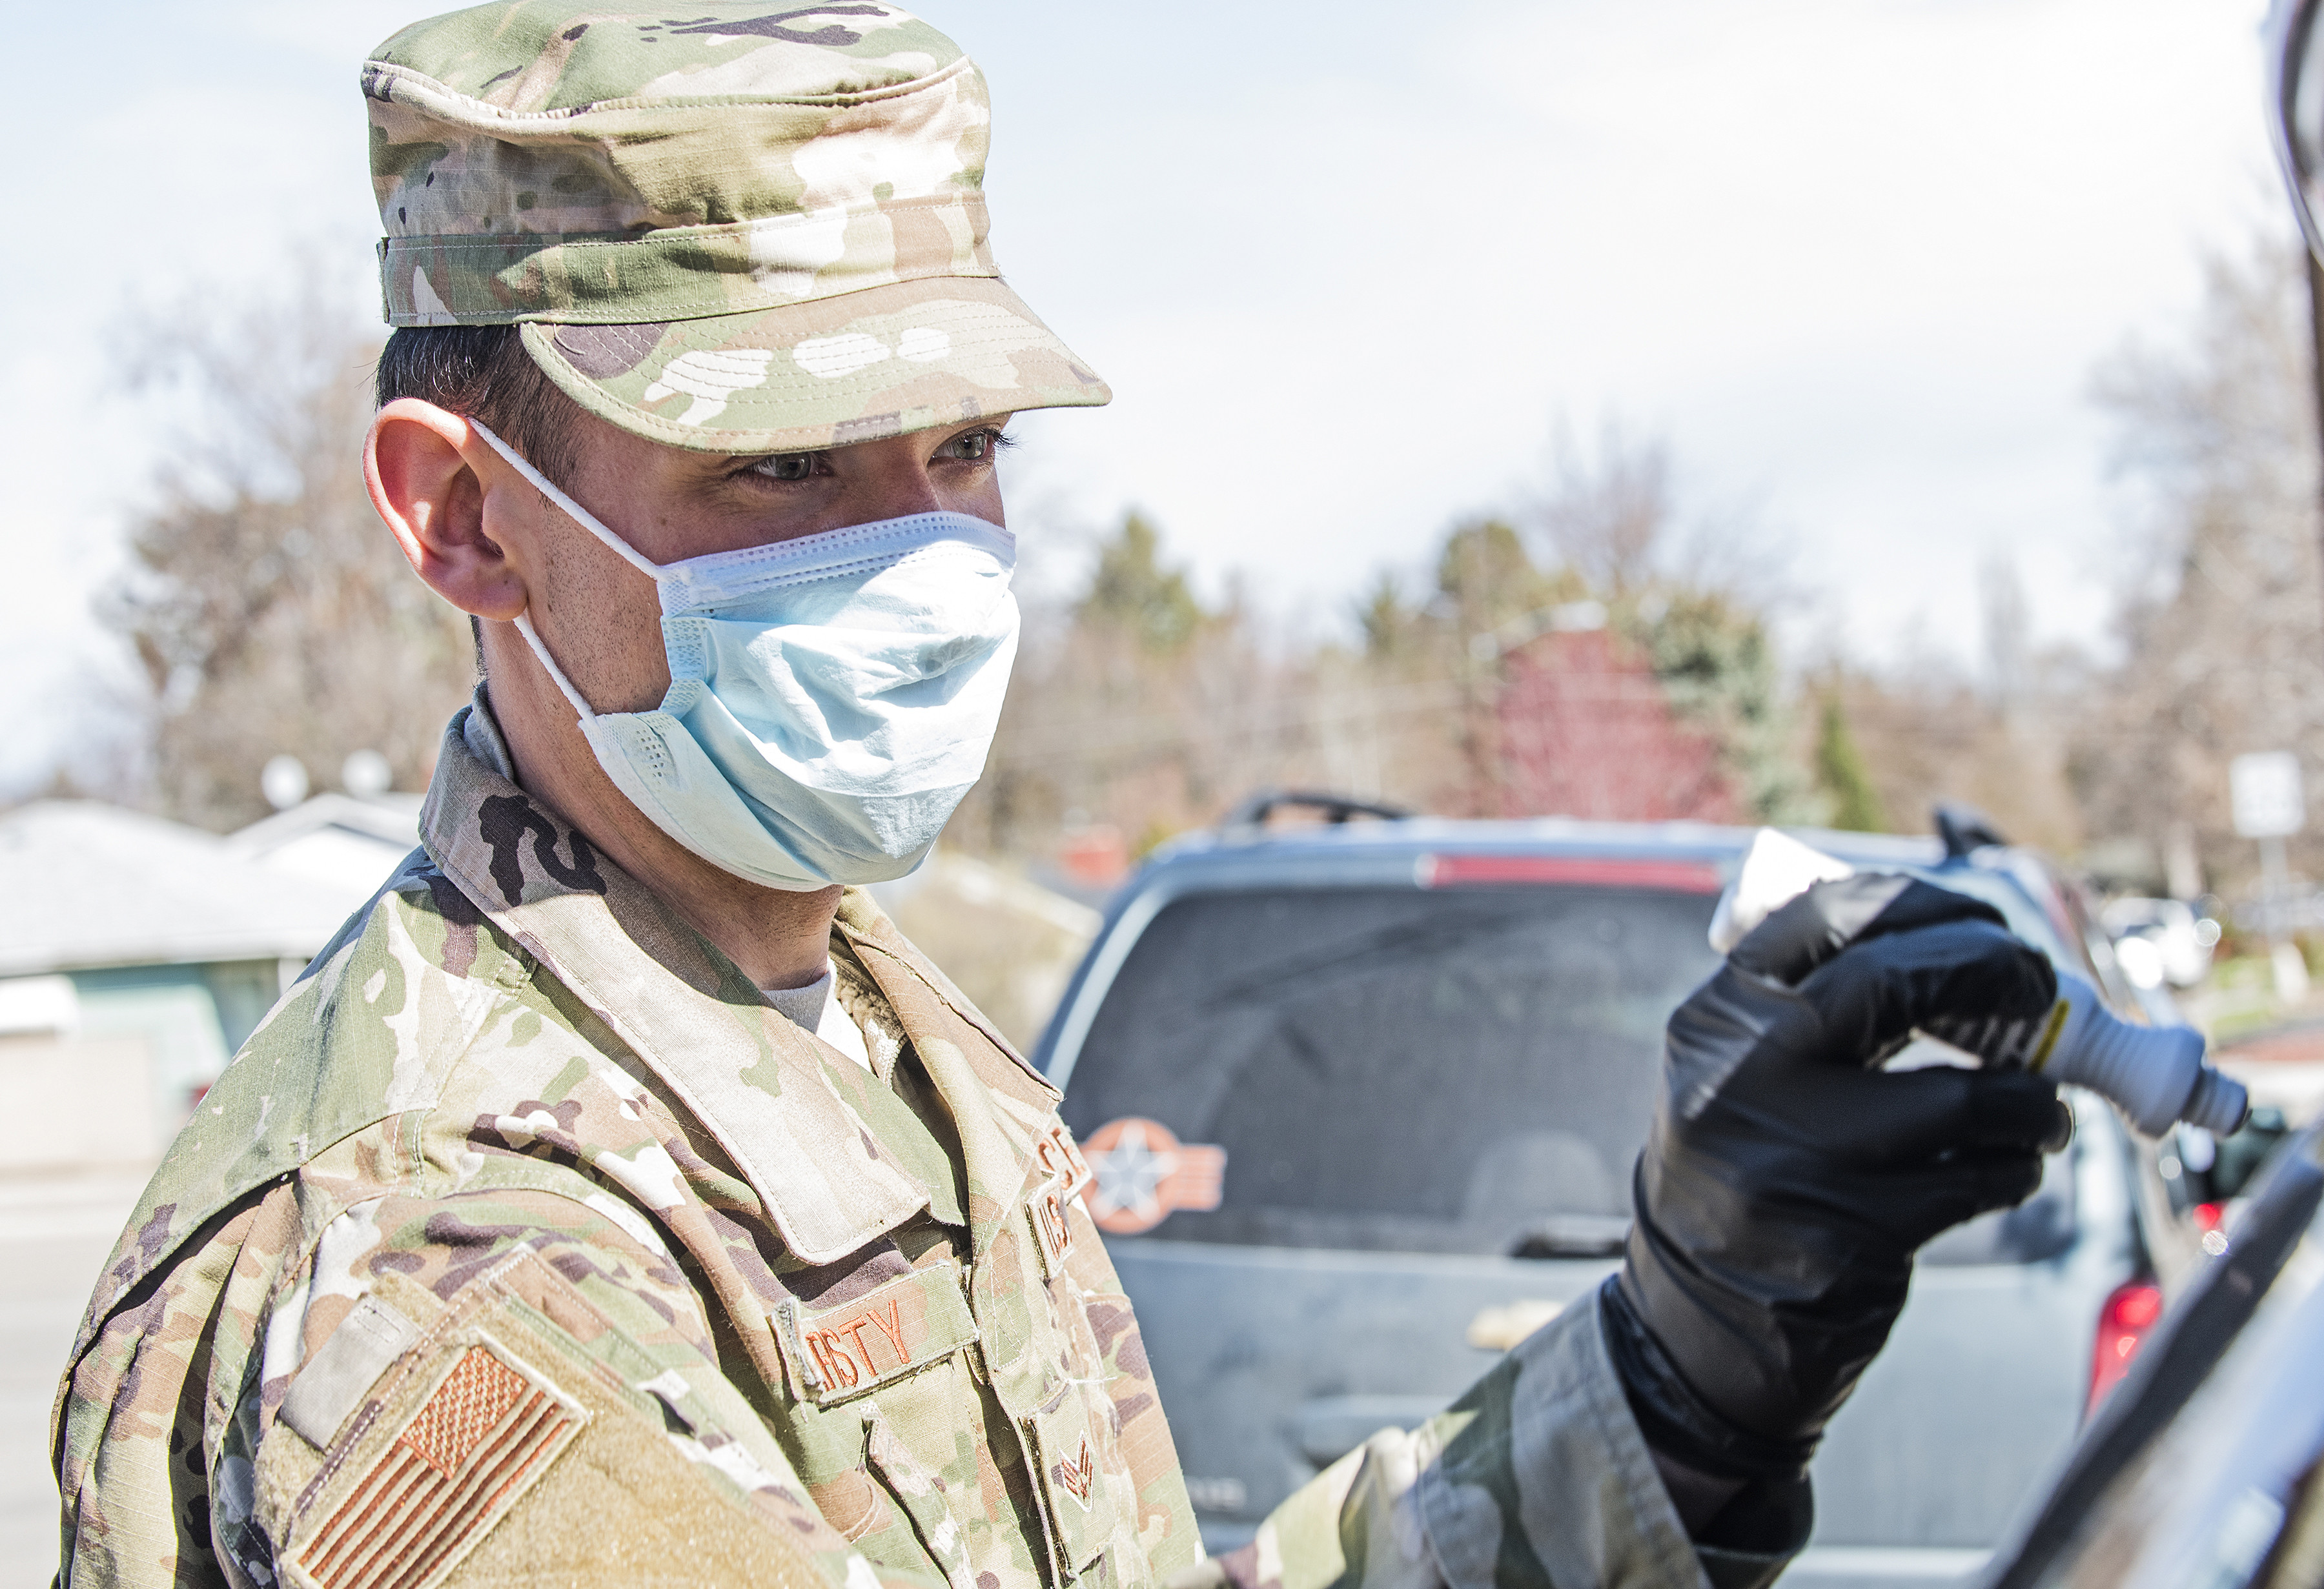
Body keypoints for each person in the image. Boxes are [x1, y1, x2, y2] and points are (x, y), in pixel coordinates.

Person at [49, 6, 2068, 1588]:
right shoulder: (430, 1260)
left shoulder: (861, 1032)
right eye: (780, 469)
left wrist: (1676, 1379)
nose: (926, 560)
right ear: (467, 516)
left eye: (960, 447)